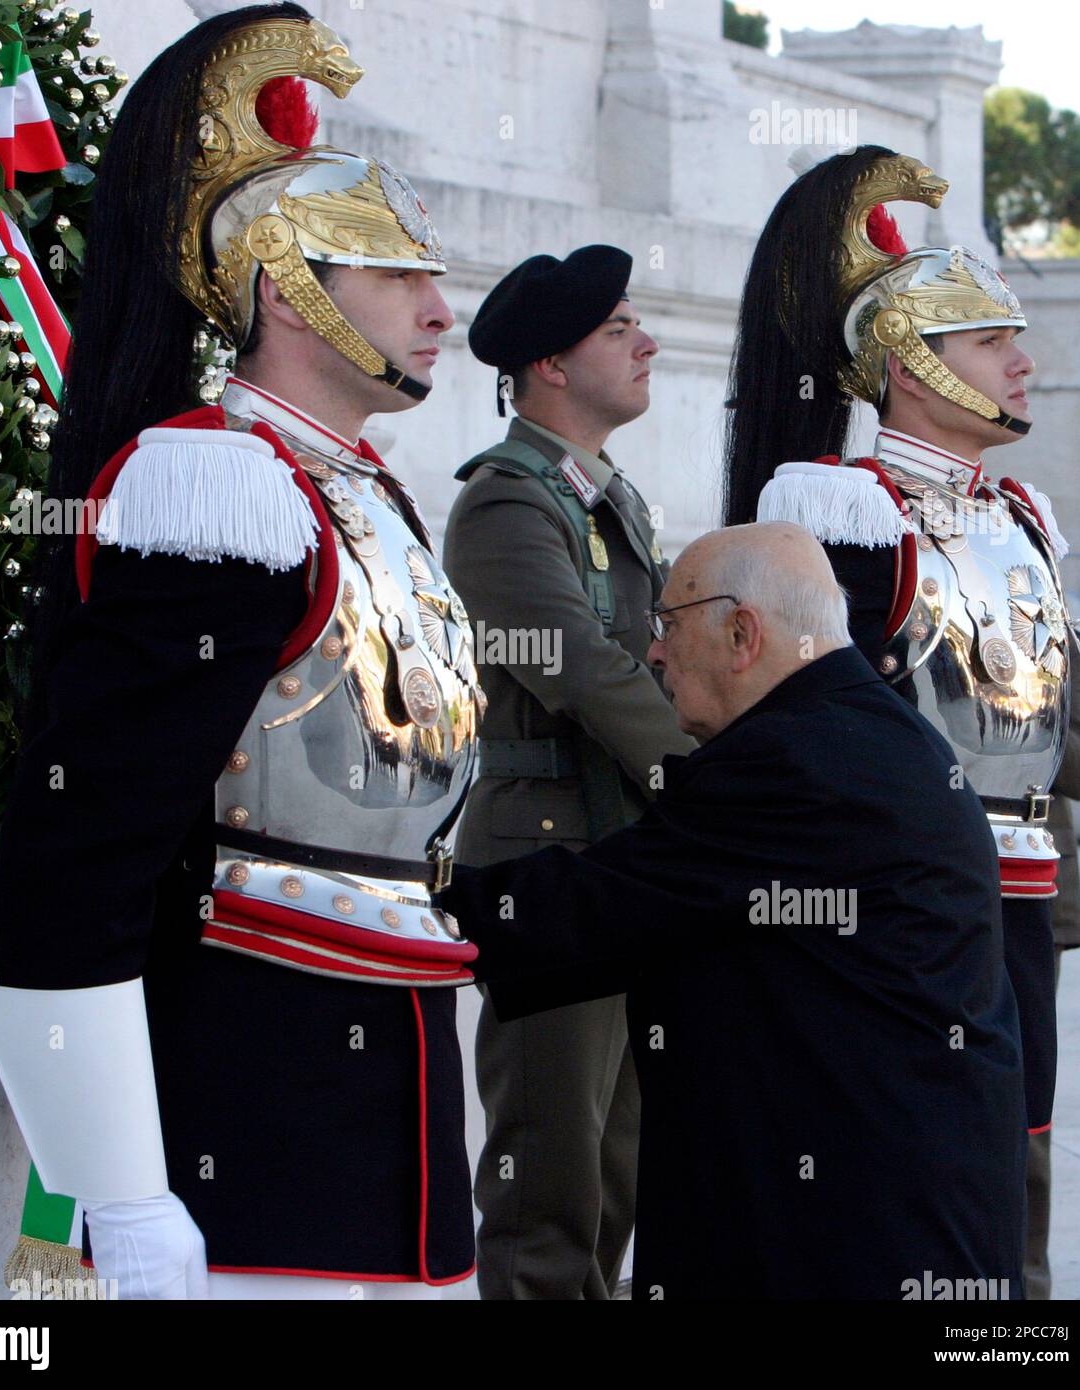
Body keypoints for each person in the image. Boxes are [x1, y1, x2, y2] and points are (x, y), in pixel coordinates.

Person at [0, 4, 484, 1300]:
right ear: (284, 286)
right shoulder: (215, 490)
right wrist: (125, 1190)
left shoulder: (361, 493)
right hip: (248, 1122)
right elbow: (81, 850)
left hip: (393, 1104)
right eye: (397, 272)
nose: (439, 306)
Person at [438, 522, 1027, 1300]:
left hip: (849, 1247)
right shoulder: (860, 729)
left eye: (667, 627)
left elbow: (595, 910)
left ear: (742, 633)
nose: (652, 654)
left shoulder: (796, 762)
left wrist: (409, 902)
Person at [721, 145, 1080, 1201]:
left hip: (1021, 888)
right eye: (991, 342)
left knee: (1012, 1165)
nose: (1021, 363)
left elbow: (1071, 719)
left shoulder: (1022, 517)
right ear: (907, 361)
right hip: (895, 900)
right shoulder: (839, 511)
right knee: (907, 1163)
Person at [444, 247, 696, 1299]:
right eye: (618, 329)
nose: (648, 343)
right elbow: (584, 670)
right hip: (546, 870)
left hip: (620, 857)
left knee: (618, 1174)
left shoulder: (603, 496)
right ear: (549, 363)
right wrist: (709, 785)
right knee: (548, 1187)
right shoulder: (508, 505)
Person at [1024, 632, 1080, 1298]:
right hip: (930, 888)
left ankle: (1027, 1293)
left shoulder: (1059, 637)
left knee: (1025, 1117)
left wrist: (1002, 710)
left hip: (1035, 902)